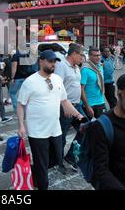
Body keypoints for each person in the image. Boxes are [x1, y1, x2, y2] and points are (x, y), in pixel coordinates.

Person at [17, 50, 83, 190]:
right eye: (50, 61)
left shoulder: (57, 79)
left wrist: (78, 115)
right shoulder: (30, 82)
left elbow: (64, 101)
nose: (53, 64)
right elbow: (21, 104)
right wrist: (21, 126)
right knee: (42, 164)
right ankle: (42, 184)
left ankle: (32, 170)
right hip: (37, 131)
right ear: (41, 61)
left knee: (57, 158)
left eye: (54, 62)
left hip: (55, 129)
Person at [54, 43, 85, 172]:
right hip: (66, 106)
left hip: (77, 106)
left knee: (86, 129)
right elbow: (57, 87)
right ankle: (58, 162)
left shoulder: (76, 67)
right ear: (73, 54)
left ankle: (70, 157)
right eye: (81, 55)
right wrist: (63, 106)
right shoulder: (62, 66)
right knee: (61, 137)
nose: (82, 58)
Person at [10, 42, 38, 110]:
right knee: (26, 95)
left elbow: (14, 68)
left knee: (12, 92)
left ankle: (17, 109)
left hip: (18, 78)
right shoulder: (30, 55)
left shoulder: (16, 55)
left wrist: (12, 78)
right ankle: (26, 111)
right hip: (28, 77)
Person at [81, 47, 106, 119]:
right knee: (90, 128)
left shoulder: (100, 66)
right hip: (90, 104)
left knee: (101, 127)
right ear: (89, 56)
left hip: (100, 102)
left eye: (99, 55)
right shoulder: (85, 69)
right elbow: (81, 89)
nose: (98, 57)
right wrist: (87, 106)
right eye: (95, 55)